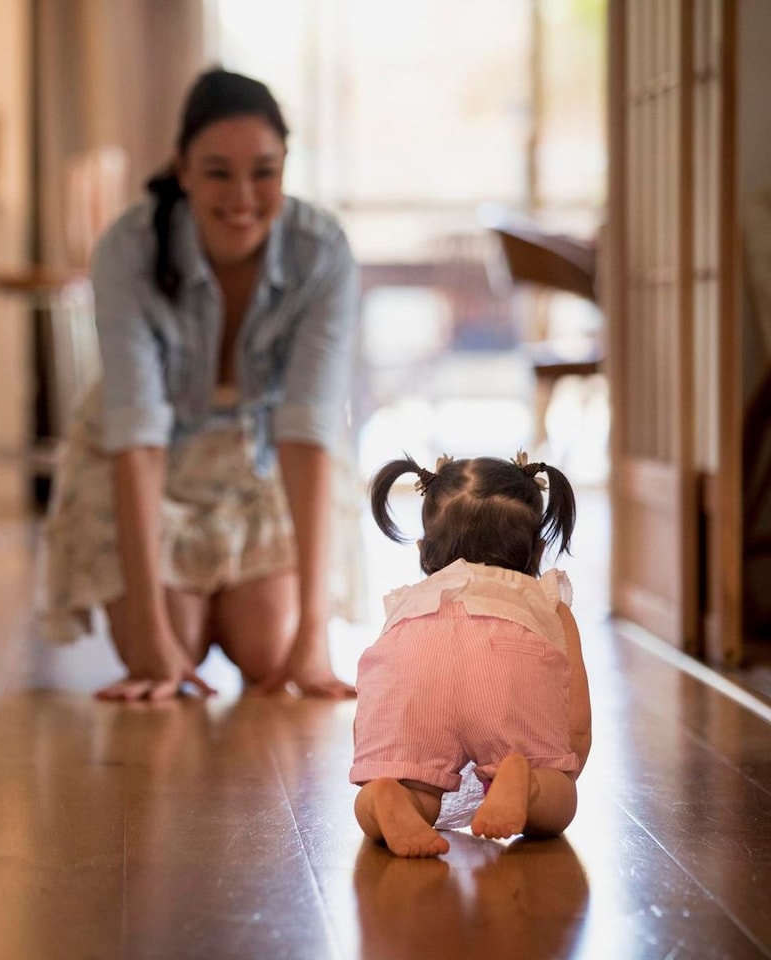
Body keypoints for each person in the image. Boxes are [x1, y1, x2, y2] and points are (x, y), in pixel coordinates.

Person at [39, 67, 362, 703]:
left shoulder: (322, 253)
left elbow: (306, 433)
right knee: (166, 654)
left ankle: (237, 607)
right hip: (143, 467)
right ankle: (181, 616)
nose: (242, 195)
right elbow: (138, 437)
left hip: (258, 464)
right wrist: (153, 633)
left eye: (263, 171)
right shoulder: (127, 250)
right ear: (182, 170)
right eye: (218, 172)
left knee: (273, 649)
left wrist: (314, 640)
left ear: (285, 167)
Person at [350, 450, 592, 857]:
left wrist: (382, 764)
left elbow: (378, 690)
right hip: (506, 664)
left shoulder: (410, 602)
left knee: (407, 787)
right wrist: (558, 774)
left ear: (423, 549)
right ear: (537, 550)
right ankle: (523, 781)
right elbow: (576, 721)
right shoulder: (545, 601)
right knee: (555, 801)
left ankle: (385, 797)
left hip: (415, 662)